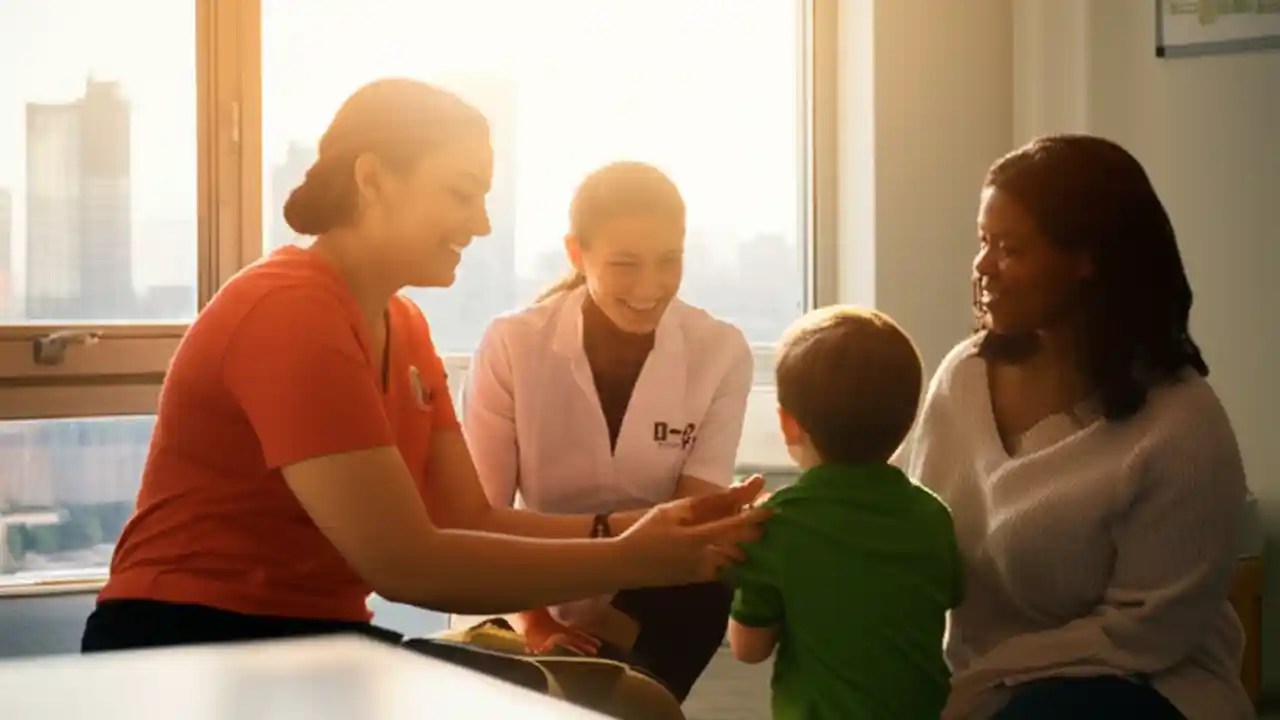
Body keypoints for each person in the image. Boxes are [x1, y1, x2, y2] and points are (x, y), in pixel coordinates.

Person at [80, 79, 767, 659]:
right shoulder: (289, 310)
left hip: (317, 640)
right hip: (191, 639)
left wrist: (645, 528)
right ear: (373, 180)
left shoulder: (404, 325)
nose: (483, 223)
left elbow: (468, 516)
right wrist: (631, 557)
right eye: (462, 194)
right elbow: (405, 563)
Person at [894, 134, 1252, 720]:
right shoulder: (964, 376)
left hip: (1138, 685)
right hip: (984, 689)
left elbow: (1144, 634)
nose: (983, 266)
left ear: (1089, 261)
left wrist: (985, 683)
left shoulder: (1181, 426)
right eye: (983, 241)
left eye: (1010, 248)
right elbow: (905, 522)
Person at [463, 161, 755, 701]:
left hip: (656, 604)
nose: (650, 287)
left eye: (669, 260)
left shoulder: (720, 350)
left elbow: (691, 523)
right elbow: (482, 519)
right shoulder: (513, 344)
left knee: (700, 590)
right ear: (577, 253)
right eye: (624, 264)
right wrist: (536, 622)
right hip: (529, 592)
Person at [725, 306, 962, 719]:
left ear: (788, 424)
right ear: (908, 423)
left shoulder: (776, 523)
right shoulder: (933, 515)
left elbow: (749, 648)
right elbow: (950, 602)